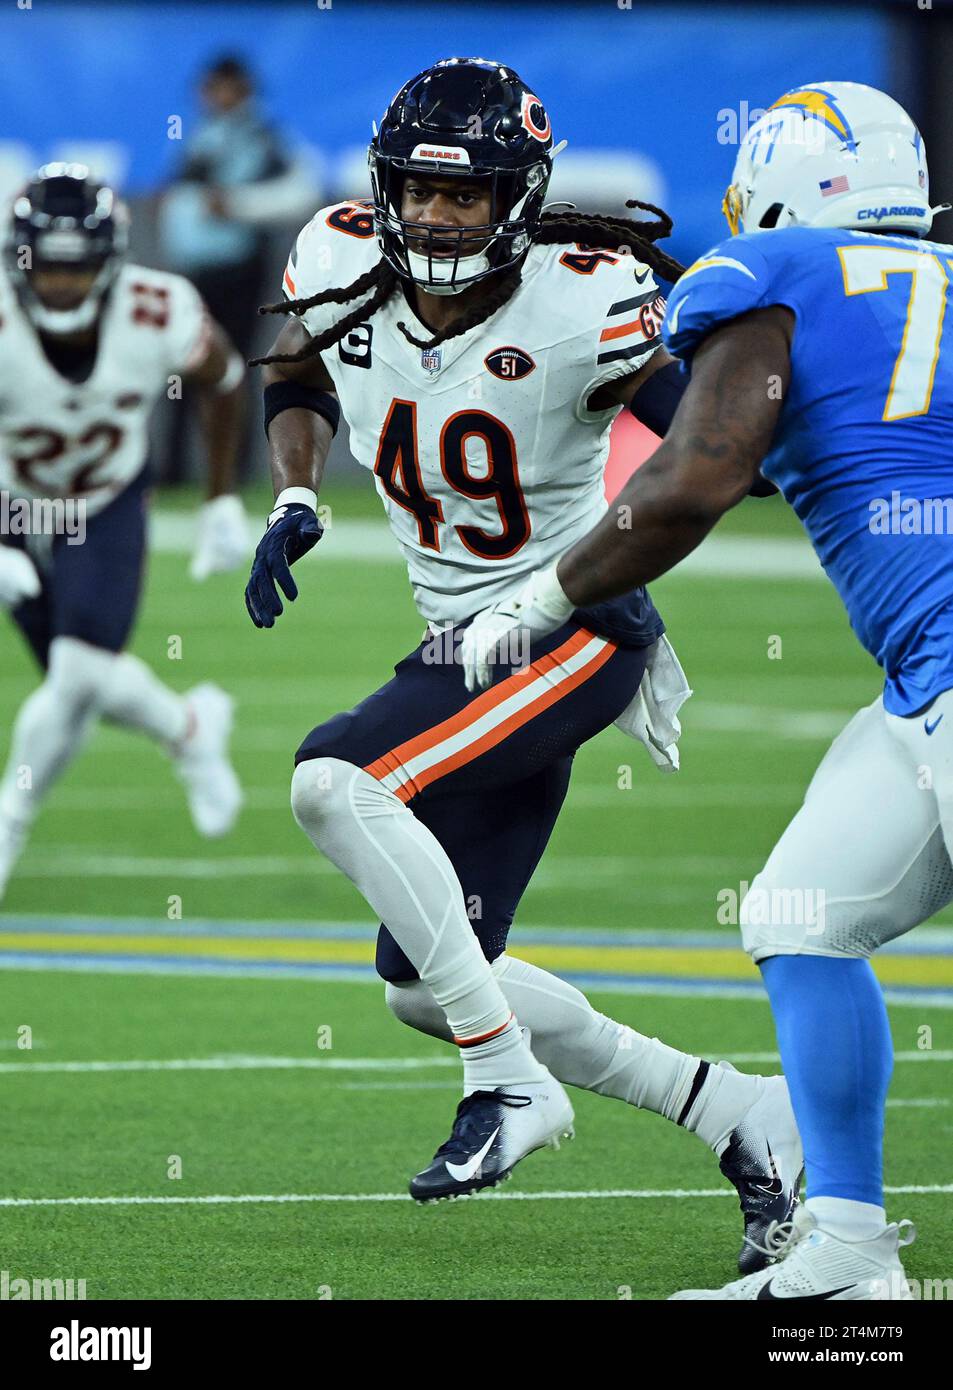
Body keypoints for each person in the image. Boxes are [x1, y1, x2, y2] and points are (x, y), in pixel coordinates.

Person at [242, 57, 801, 1261]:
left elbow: (711, 434)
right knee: (425, 979)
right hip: (460, 641)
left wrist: (746, 433)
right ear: (386, 189)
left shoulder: (584, 299)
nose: (439, 216)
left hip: (568, 629)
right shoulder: (336, 260)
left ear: (520, 198)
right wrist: (294, 492)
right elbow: (295, 367)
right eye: (421, 190)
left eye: (470, 194)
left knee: (332, 780)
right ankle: (738, 1109)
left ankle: (506, 1085)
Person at [461, 81, 948, 1300]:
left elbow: (701, 474)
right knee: (798, 913)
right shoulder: (912, 288)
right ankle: (843, 1247)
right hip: (922, 679)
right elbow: (807, 443)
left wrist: (546, 595)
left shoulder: (770, 265)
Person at [0, 164, 246, 901]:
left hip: (106, 497)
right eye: (47, 266)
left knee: (76, 675)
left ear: (109, 264)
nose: (61, 285)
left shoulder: (157, 308)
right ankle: (189, 726)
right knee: (76, 684)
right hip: (9, 499)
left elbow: (225, 379)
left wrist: (220, 498)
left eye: (76, 269)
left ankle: (10, 821)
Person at [158, 53, 317, 488]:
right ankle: (174, 469)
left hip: (237, 268)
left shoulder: (265, 136)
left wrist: (239, 207)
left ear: (243, 89)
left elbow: (302, 191)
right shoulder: (201, 135)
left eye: (222, 87)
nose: (213, 96)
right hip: (193, 268)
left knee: (233, 365)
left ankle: (234, 469)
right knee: (183, 362)